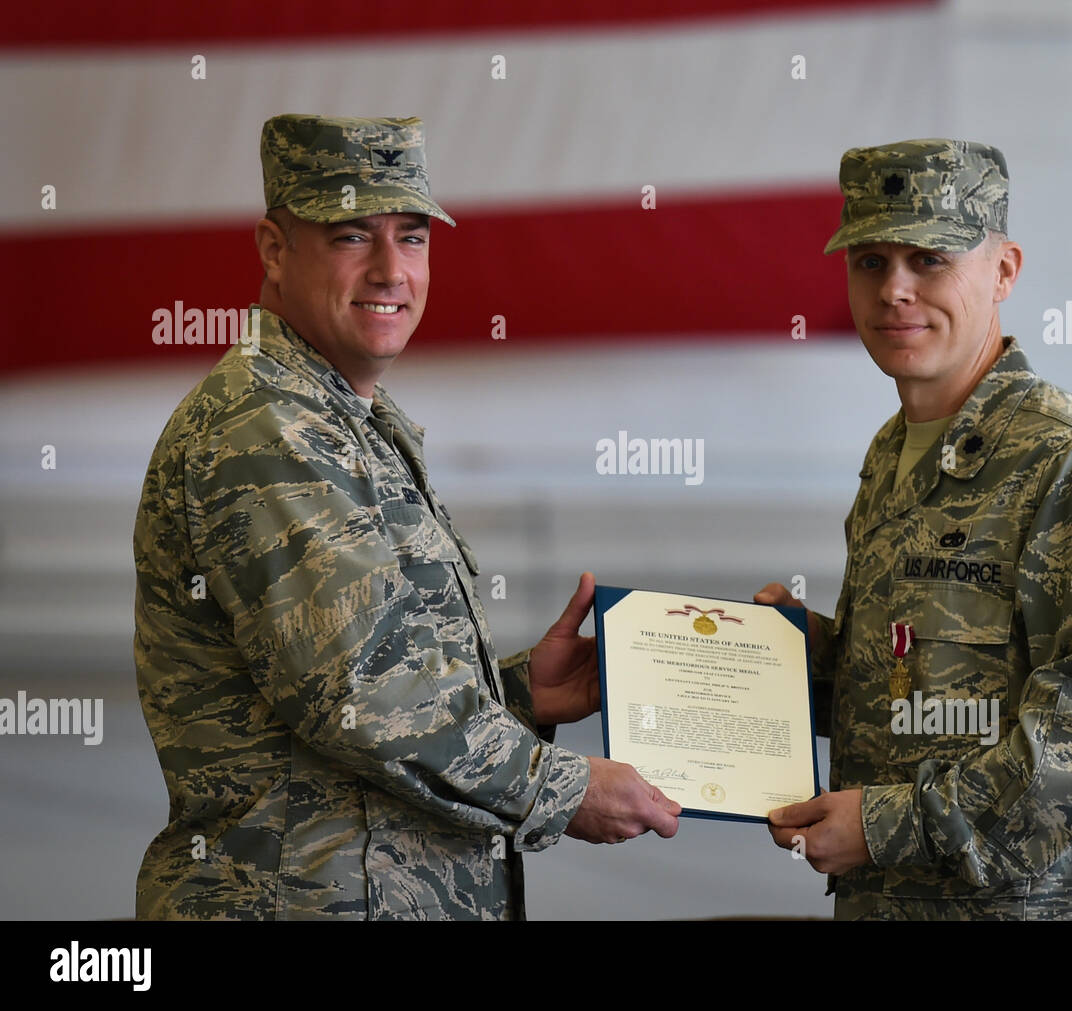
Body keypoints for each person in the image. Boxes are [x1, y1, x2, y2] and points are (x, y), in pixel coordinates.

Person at [132, 114, 680, 921]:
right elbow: (365, 699)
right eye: (353, 236)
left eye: (413, 238)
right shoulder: (264, 430)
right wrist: (559, 786)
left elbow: (368, 678)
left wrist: (523, 692)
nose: (392, 270)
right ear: (275, 249)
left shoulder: (347, 420)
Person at [756, 139, 1072, 920]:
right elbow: (928, 693)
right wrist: (810, 661)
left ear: (1004, 271)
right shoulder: (893, 452)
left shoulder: (1071, 459)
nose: (894, 289)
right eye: (869, 261)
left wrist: (890, 826)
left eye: (929, 258)